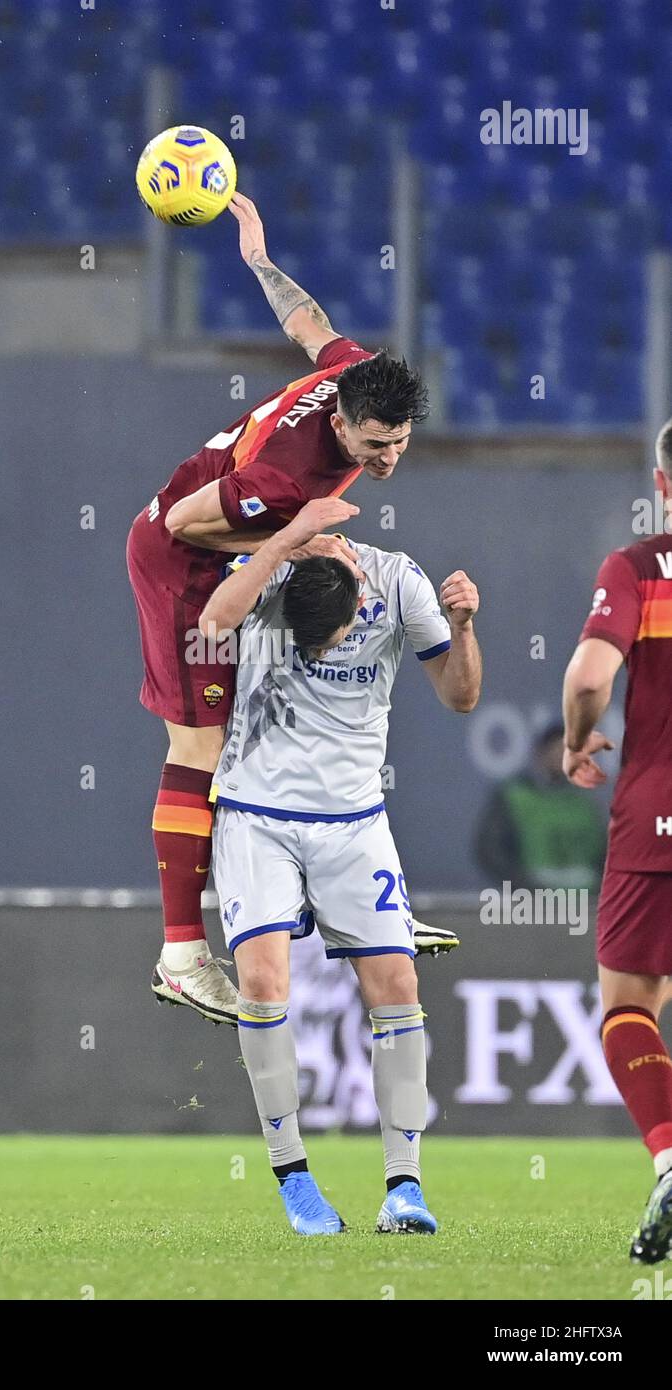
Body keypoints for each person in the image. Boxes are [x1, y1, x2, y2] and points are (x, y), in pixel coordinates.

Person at [127, 192, 441, 1026]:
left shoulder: (354, 375)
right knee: (202, 747)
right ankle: (183, 955)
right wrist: (290, 534)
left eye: (401, 444)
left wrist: (258, 258)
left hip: (232, 549)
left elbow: (310, 323)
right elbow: (183, 519)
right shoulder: (280, 483)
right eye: (374, 447)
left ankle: (364, 907)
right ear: (340, 423)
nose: (387, 460)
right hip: (183, 563)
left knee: (281, 710)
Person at [201, 498, 481, 1234]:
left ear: (362, 599)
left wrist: (461, 628)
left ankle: (405, 1189)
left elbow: (461, 695)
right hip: (256, 815)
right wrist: (280, 545)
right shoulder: (269, 573)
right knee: (262, 983)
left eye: (328, 639)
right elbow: (212, 621)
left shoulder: (399, 580)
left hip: (354, 823)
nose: (319, 652)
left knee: (398, 986)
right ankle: (294, 1179)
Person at [561, 416, 672, 1264]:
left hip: (654, 818)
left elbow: (592, 676)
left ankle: (671, 1159)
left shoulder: (638, 569)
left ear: (662, 485)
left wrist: (574, 741)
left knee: (628, 1005)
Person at [474, 723, 606, 890]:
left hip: (585, 901)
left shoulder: (585, 802)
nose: (562, 757)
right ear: (541, 753)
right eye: (557, 750)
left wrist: (601, 885)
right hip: (534, 903)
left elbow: (605, 852)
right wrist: (522, 885)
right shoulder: (515, 798)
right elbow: (491, 850)